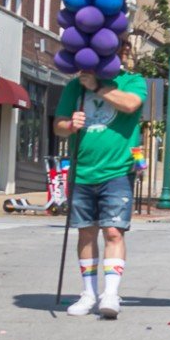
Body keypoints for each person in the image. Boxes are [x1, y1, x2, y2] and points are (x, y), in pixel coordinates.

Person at [56, 66, 148, 319]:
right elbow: (58, 126)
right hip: (82, 171)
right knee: (86, 232)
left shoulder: (131, 80)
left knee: (113, 231)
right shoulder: (74, 86)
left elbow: (130, 104)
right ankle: (88, 293)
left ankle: (110, 293)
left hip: (117, 171)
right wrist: (69, 125)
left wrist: (96, 86)